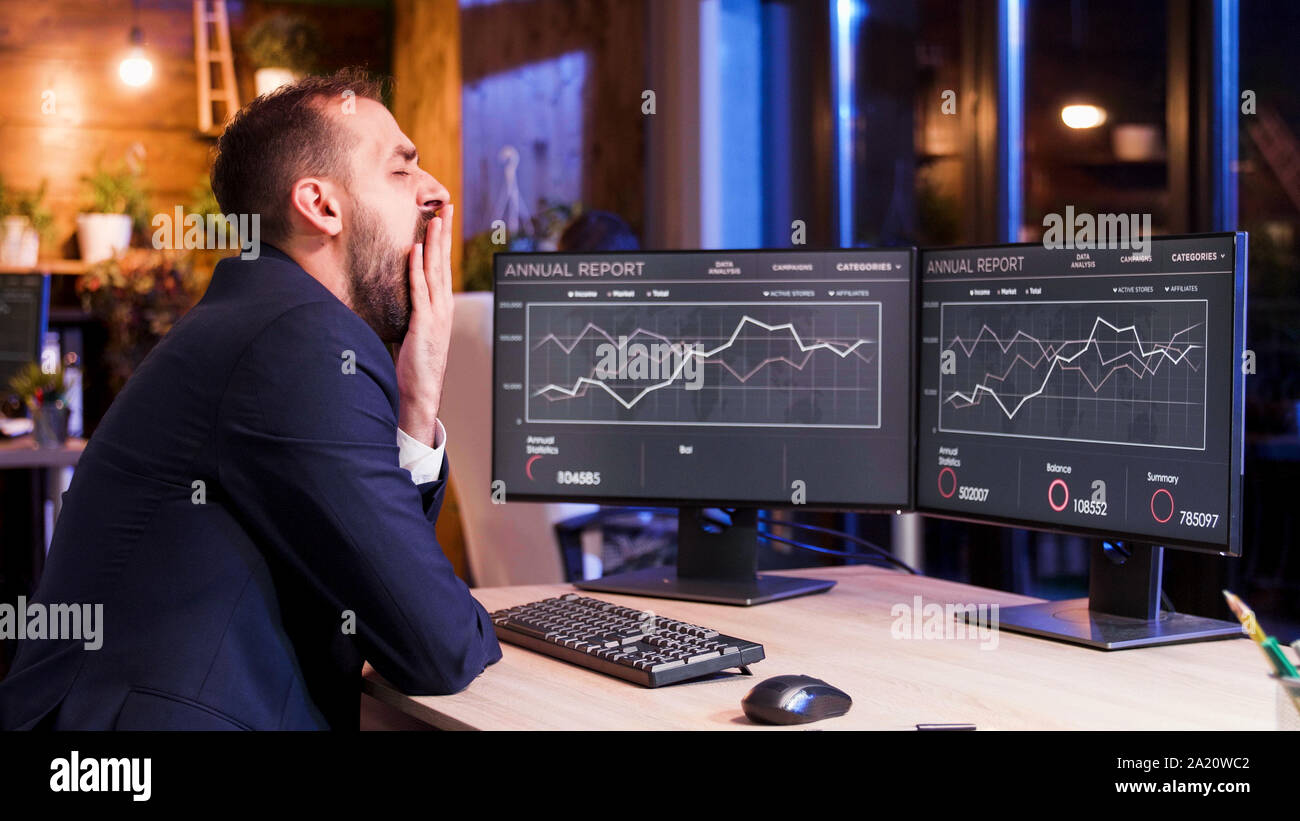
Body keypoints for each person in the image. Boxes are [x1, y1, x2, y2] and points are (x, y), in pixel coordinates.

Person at [0, 69, 502, 730]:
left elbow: (386, 590)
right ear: (320, 205)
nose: (437, 192)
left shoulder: (267, 322)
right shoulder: (294, 340)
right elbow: (437, 639)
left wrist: (417, 401)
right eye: (403, 171)